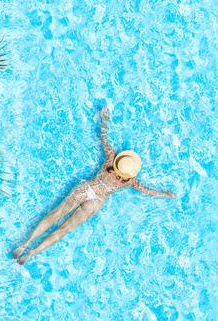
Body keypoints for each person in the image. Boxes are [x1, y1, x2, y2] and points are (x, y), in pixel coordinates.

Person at [13, 107, 175, 265]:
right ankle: (34, 252)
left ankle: (26, 242)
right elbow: (149, 192)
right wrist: (166, 194)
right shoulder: (132, 181)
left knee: (56, 214)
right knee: (64, 229)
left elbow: (104, 137)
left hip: (86, 189)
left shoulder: (111, 157)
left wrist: (104, 120)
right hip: (96, 203)